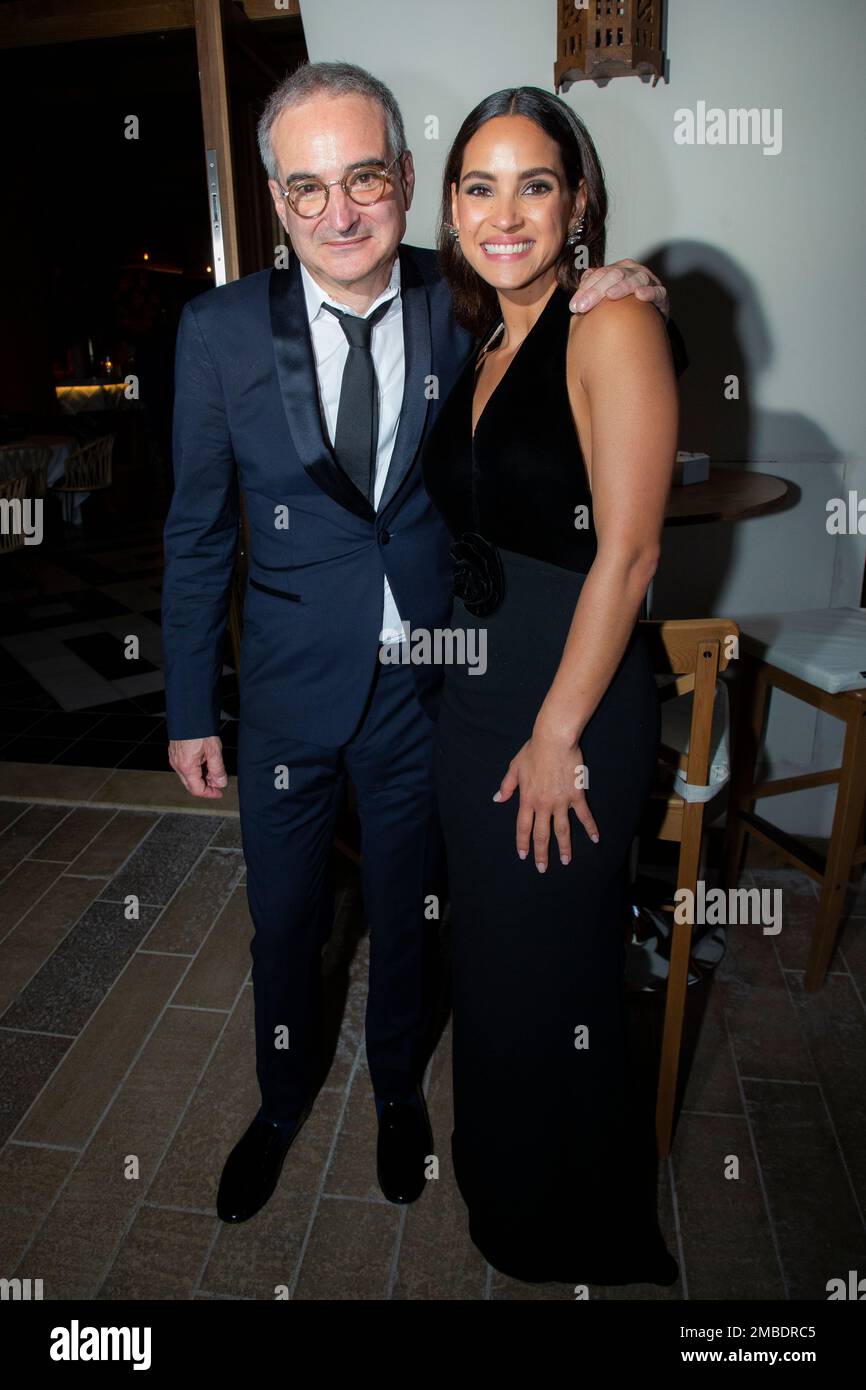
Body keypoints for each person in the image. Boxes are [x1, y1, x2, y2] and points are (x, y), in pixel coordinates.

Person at [161, 61, 682, 1227]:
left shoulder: (463, 298)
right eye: (305, 189)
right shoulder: (216, 333)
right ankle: (282, 1100)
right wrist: (191, 704)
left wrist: (625, 282)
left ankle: (399, 1093)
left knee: (410, 915)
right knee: (287, 920)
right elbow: (195, 534)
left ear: (404, 180)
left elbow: (566, 333)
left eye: (362, 179)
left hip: (434, 690)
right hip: (290, 693)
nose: (338, 213)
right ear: (272, 198)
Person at [420, 87, 680, 1285]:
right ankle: (506, 1181)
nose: (504, 210)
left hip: (559, 702)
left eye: (535, 182)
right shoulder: (485, 333)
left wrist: (556, 730)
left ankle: (564, 1214)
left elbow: (625, 552)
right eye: (479, 184)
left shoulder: (606, 325)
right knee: (496, 959)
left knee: (550, 963)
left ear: (577, 202)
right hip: (475, 697)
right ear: (453, 208)